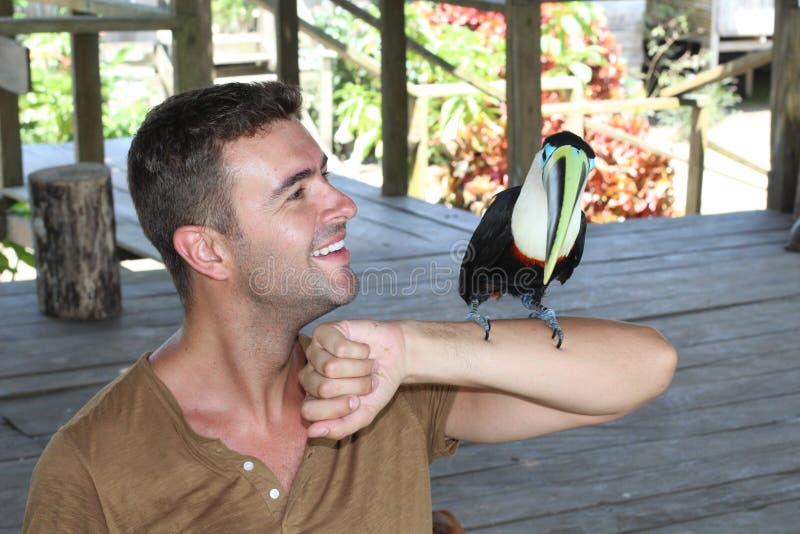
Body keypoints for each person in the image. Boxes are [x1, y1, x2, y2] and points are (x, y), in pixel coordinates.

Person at [23, 81, 677, 532]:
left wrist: (412, 349)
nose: (344, 205)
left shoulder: (378, 383)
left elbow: (645, 366)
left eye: (326, 176)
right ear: (208, 251)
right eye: (297, 192)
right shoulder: (93, 465)